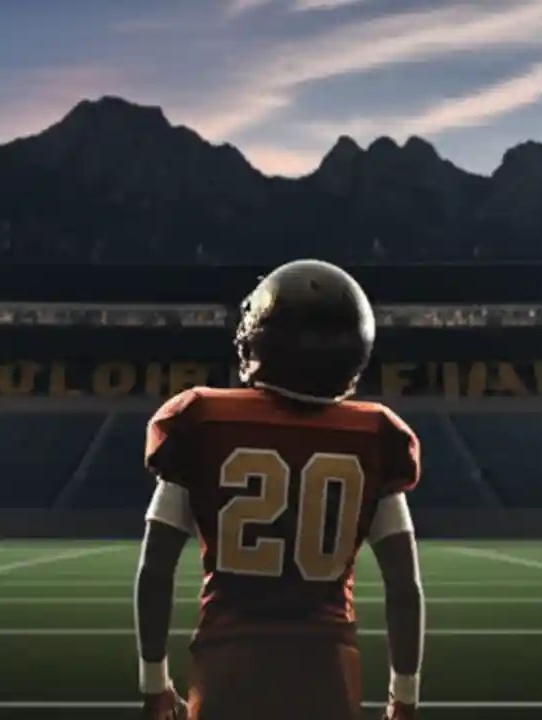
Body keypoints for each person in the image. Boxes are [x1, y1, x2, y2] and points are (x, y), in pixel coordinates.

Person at [133, 259, 425, 720]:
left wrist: (154, 684)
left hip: (229, 663)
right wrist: (404, 699)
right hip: (325, 667)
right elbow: (404, 586)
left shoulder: (201, 420)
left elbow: (155, 569)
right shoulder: (374, 435)